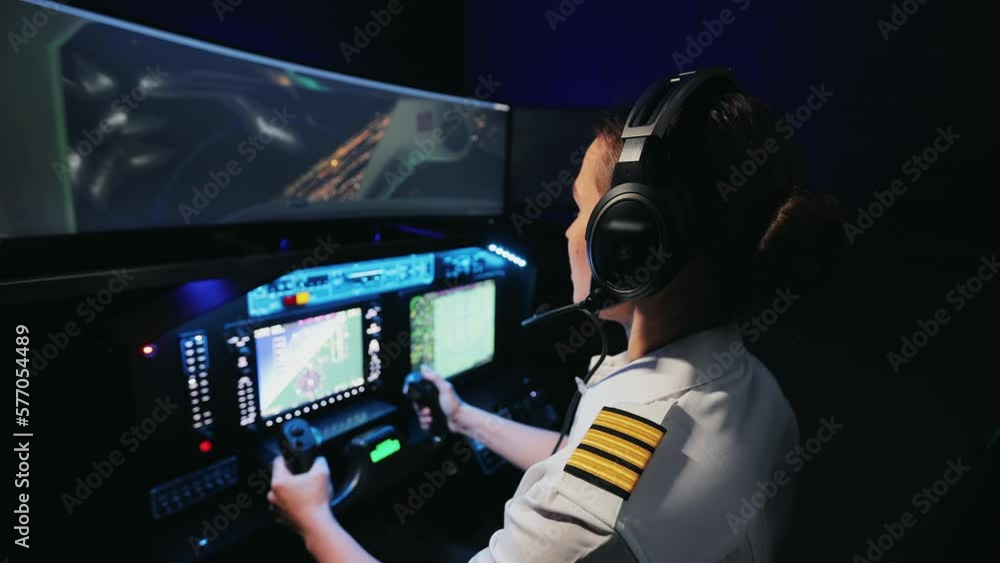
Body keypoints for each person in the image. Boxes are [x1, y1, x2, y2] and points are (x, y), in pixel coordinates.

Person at [268, 77, 845, 562]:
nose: (569, 233)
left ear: (631, 248)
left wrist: (313, 518)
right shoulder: (752, 390)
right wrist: (467, 418)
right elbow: (582, 456)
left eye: (580, 210)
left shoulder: (581, 522)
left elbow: (593, 493)